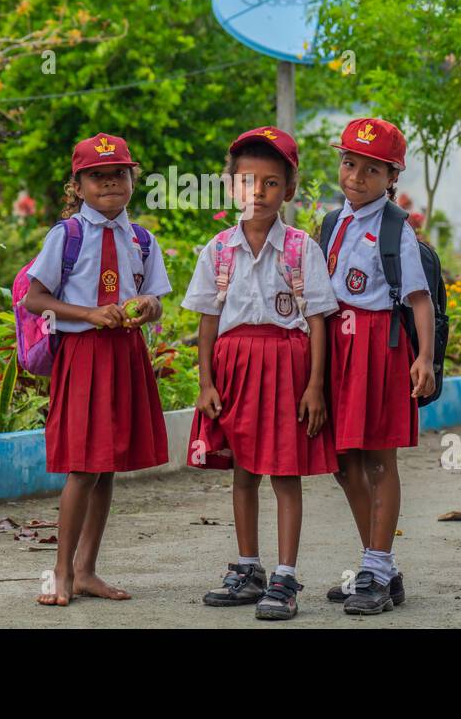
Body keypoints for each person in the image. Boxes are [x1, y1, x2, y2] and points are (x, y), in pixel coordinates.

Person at [183, 126, 338, 621]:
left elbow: (317, 322)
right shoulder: (217, 250)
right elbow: (208, 321)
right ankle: (248, 568)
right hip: (234, 370)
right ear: (231, 188)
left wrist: (315, 386)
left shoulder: (300, 249)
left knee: (285, 475)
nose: (259, 193)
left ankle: (286, 577)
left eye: (271, 183)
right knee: (244, 472)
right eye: (247, 182)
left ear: (289, 190)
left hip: (288, 368)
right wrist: (206, 383)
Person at [22, 132, 170, 606]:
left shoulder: (141, 238)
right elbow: (34, 296)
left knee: (107, 469)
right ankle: (60, 572)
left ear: (132, 181)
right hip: (84, 357)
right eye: (97, 176)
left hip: (125, 355)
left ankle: (87, 570)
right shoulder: (66, 236)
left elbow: (156, 300)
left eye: (119, 175)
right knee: (83, 468)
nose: (109, 183)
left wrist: (147, 307)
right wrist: (89, 314)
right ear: (78, 185)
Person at [322, 117, 436, 615]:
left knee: (378, 460)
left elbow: (419, 299)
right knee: (344, 464)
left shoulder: (396, 228)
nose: (355, 176)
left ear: (392, 177)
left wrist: (425, 359)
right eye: (349, 163)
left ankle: (375, 564)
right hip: (337, 349)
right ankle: (380, 569)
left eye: (371, 169)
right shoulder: (331, 222)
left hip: (380, 347)